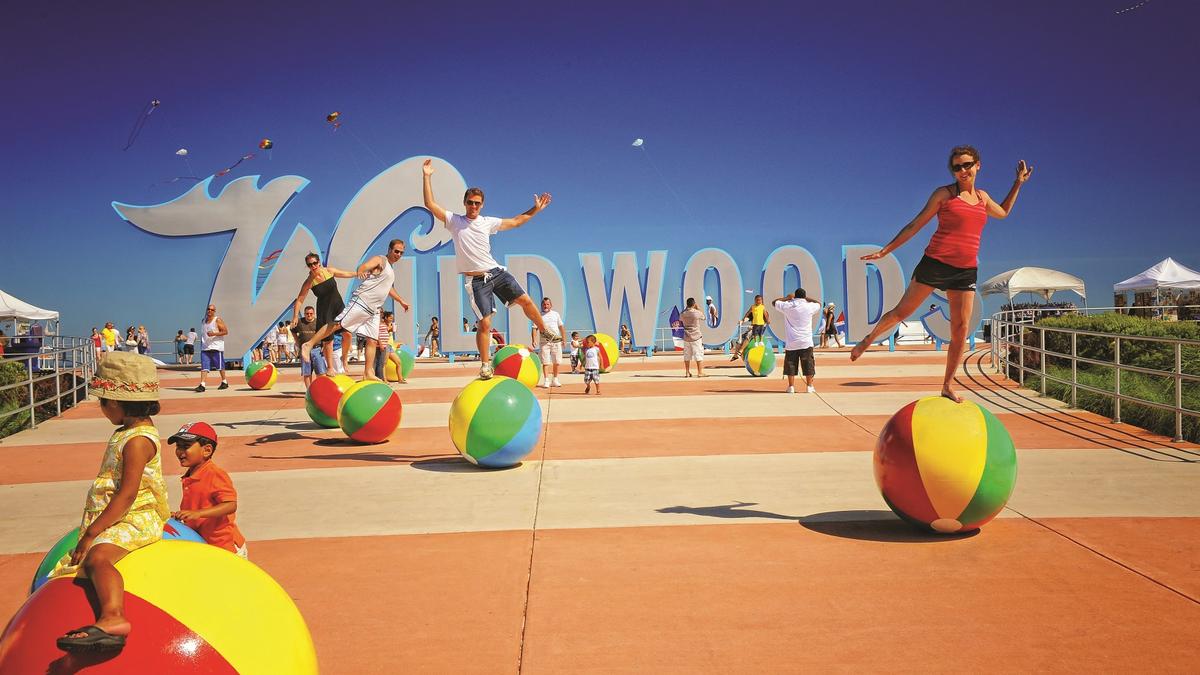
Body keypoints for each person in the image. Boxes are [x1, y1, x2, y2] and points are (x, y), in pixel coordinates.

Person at [852, 146, 1033, 402]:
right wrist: (886, 251)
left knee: (960, 328)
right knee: (902, 313)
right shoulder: (944, 195)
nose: (962, 171)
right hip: (935, 264)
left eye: (967, 165)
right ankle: (868, 339)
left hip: (965, 270)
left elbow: (1003, 213)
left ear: (978, 165)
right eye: (957, 167)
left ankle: (947, 385)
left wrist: (1017, 183)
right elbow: (915, 224)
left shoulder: (982, 198)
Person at [51, 352, 170, 652]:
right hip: (121, 515)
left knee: (97, 559)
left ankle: (113, 617)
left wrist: (92, 533)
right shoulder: (127, 431)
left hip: (136, 517)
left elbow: (127, 494)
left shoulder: (137, 440)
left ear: (115, 402)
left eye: (103, 402)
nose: (102, 408)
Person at [422, 158, 558, 379]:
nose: (473, 206)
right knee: (484, 323)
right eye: (470, 202)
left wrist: (536, 209)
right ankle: (485, 365)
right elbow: (430, 204)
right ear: (464, 202)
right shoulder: (454, 221)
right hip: (476, 281)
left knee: (526, 300)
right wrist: (427, 176)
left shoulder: (487, 222)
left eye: (477, 203)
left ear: (482, 205)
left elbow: (515, 221)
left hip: (496, 272)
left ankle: (545, 331)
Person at [301, 240, 411, 382]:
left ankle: (368, 373)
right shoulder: (381, 260)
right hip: (362, 300)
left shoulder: (390, 270)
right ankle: (308, 345)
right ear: (389, 249)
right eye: (396, 251)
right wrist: (361, 271)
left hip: (374, 308)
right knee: (338, 324)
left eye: (401, 252)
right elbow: (364, 266)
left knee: (372, 339)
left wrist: (401, 301)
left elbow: (388, 287)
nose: (399, 254)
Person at [169, 422, 247, 559]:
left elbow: (230, 505)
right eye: (178, 446)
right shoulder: (191, 474)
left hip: (225, 546)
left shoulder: (214, 474)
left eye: (186, 446)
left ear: (207, 450)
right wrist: (181, 516)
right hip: (206, 544)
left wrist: (198, 514)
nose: (180, 451)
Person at [291, 252, 358, 374]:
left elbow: (346, 273)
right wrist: (295, 316)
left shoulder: (329, 271)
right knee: (328, 341)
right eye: (310, 264)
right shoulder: (309, 281)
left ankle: (344, 358)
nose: (313, 266)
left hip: (338, 306)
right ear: (308, 266)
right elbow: (300, 299)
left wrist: (358, 274)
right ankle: (330, 368)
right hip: (324, 309)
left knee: (347, 333)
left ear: (319, 262)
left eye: (315, 263)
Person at [774, 288, 823, 393]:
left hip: (792, 342)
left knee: (790, 364)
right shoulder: (809, 306)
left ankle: (791, 386)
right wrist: (806, 298)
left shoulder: (788, 305)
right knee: (808, 364)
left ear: (795, 296)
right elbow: (818, 303)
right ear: (804, 296)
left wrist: (787, 298)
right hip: (806, 341)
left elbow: (774, 302)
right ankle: (809, 386)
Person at [196, 304, 229, 392]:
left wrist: (214, 333)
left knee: (220, 366)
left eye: (212, 310)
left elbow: (225, 331)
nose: (209, 311)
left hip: (216, 347)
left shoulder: (217, 320)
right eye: (208, 309)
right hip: (205, 347)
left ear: (214, 311)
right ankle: (202, 385)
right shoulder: (203, 321)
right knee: (204, 367)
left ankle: (224, 381)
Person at [534, 297, 566, 387]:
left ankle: (555, 379)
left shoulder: (556, 314)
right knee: (545, 362)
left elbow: (561, 327)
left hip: (556, 341)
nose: (546, 306)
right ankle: (546, 380)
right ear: (541, 305)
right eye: (544, 304)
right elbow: (534, 328)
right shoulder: (538, 315)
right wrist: (534, 339)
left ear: (551, 305)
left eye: (547, 304)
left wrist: (564, 339)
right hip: (544, 342)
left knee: (556, 361)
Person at [292, 305, 327, 389]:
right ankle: (309, 391)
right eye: (307, 313)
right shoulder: (300, 322)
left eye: (311, 313)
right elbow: (293, 330)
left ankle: (321, 389)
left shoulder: (319, 322)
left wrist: (324, 345)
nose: (309, 315)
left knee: (321, 372)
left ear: (314, 313)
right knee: (307, 372)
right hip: (305, 351)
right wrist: (297, 342)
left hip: (317, 349)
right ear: (304, 314)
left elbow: (325, 333)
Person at [732, 295, 770, 360]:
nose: (758, 301)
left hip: (758, 331)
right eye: (756, 300)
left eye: (759, 300)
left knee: (749, 334)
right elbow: (747, 317)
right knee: (740, 337)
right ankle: (736, 354)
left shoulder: (763, 310)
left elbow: (766, 323)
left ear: (761, 301)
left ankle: (740, 351)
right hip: (753, 328)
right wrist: (742, 321)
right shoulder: (753, 309)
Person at [679, 297, 706, 377]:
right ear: (694, 304)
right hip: (696, 336)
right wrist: (698, 308)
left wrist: (686, 309)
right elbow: (704, 317)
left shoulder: (683, 313)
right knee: (698, 354)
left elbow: (680, 318)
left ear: (687, 304)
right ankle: (700, 372)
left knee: (687, 355)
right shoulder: (697, 313)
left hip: (686, 336)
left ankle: (687, 372)